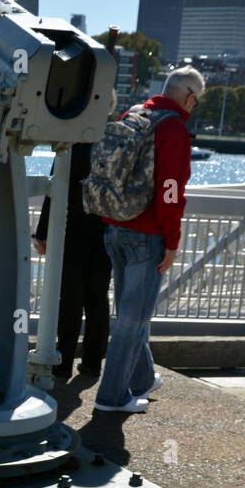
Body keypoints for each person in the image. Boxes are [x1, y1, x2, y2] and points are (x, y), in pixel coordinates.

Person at [93, 66, 204, 414]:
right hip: (147, 234)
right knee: (133, 317)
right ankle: (111, 397)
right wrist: (172, 240)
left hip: (114, 225)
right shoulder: (173, 128)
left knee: (130, 311)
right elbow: (171, 190)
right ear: (189, 97)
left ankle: (141, 380)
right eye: (196, 102)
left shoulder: (134, 113)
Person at [33, 95, 116, 379]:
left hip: (72, 228)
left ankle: (63, 361)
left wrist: (43, 233)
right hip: (106, 229)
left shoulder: (72, 139)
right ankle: (92, 363)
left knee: (69, 298)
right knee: (98, 299)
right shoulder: (117, 138)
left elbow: (54, 188)